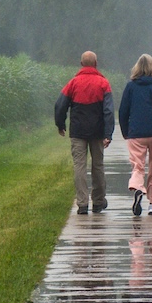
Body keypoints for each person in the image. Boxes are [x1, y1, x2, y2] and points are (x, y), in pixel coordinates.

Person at [55, 51, 114, 214]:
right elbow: (108, 111)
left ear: (81, 64)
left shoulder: (73, 83)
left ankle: (82, 203)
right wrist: (108, 133)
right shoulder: (103, 83)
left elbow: (60, 105)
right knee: (98, 166)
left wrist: (60, 124)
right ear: (96, 63)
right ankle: (98, 201)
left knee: (79, 166)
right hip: (97, 131)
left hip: (78, 131)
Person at [118, 54, 152, 216]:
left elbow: (123, 111)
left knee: (138, 166)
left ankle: (137, 188)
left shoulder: (131, 87)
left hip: (136, 134)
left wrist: (125, 131)